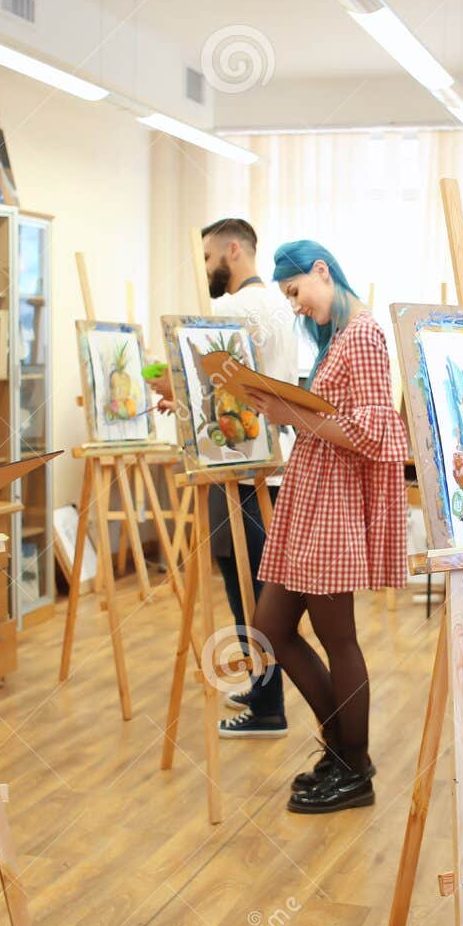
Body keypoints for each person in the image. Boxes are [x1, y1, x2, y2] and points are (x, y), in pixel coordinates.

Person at [244, 240, 407, 813]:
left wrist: (292, 414)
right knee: (272, 626)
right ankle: (340, 750)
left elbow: (370, 434)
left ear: (322, 271)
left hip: (333, 503)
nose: (292, 305)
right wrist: (287, 410)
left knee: (338, 637)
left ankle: (354, 767)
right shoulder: (338, 335)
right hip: (313, 496)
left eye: (294, 291)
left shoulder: (362, 334)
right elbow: (335, 423)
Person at [198, 217, 299, 739]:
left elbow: (213, 389)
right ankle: (264, 689)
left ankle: (267, 708)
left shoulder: (228, 310)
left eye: (211, 256)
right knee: (262, 585)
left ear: (233, 250)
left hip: (236, 466)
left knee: (244, 590)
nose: (208, 268)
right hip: (274, 465)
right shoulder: (283, 306)